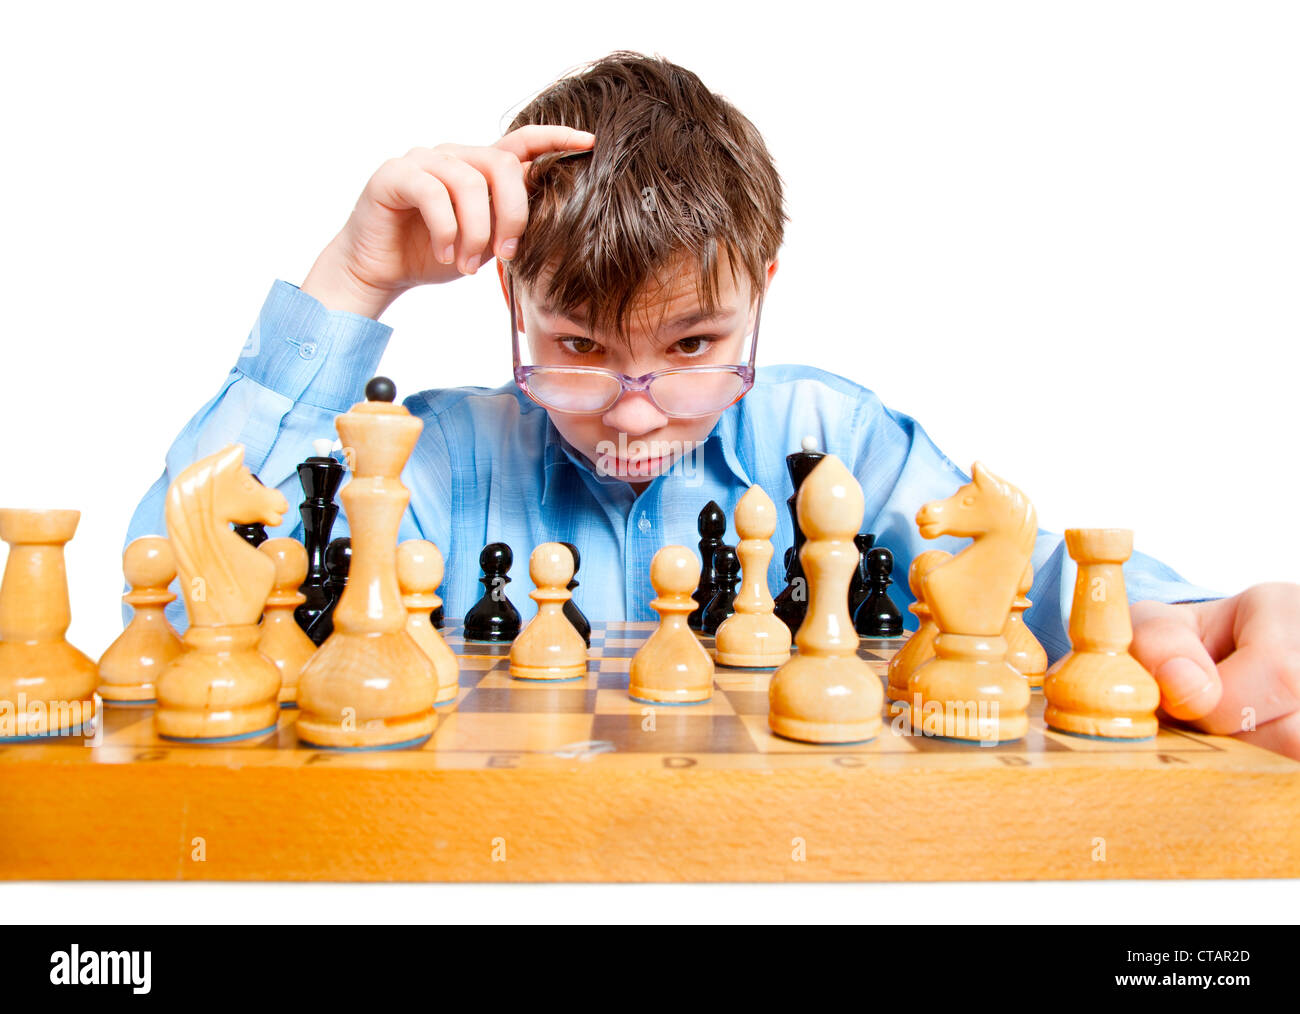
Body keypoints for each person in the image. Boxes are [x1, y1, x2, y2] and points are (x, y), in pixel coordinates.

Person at [126, 51, 1299, 758]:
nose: (635, 413)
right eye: (577, 349)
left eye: (694, 345)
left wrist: (1211, 618)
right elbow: (171, 602)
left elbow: (1036, 586)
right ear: (508, 297)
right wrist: (354, 274)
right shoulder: (427, 467)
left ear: (763, 293)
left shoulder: (833, 447)